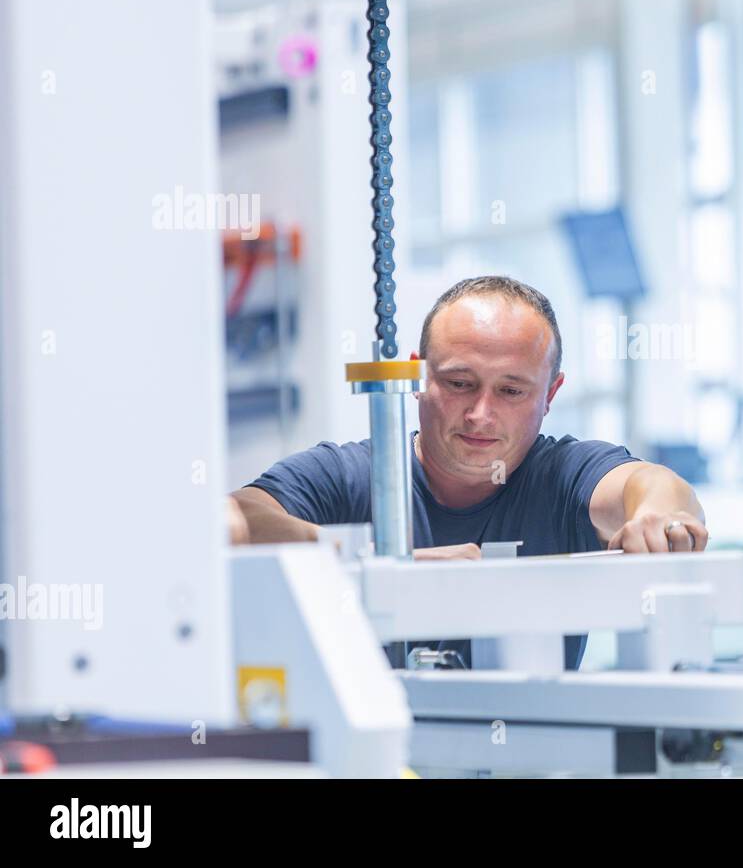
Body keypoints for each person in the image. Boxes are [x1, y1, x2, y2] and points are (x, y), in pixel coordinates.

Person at [229, 275, 708, 669]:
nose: (481, 414)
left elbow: (656, 488)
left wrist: (657, 517)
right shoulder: (349, 475)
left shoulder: (562, 477)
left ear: (550, 394)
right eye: (460, 384)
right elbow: (234, 520)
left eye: (511, 391)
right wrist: (369, 562)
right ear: (418, 377)